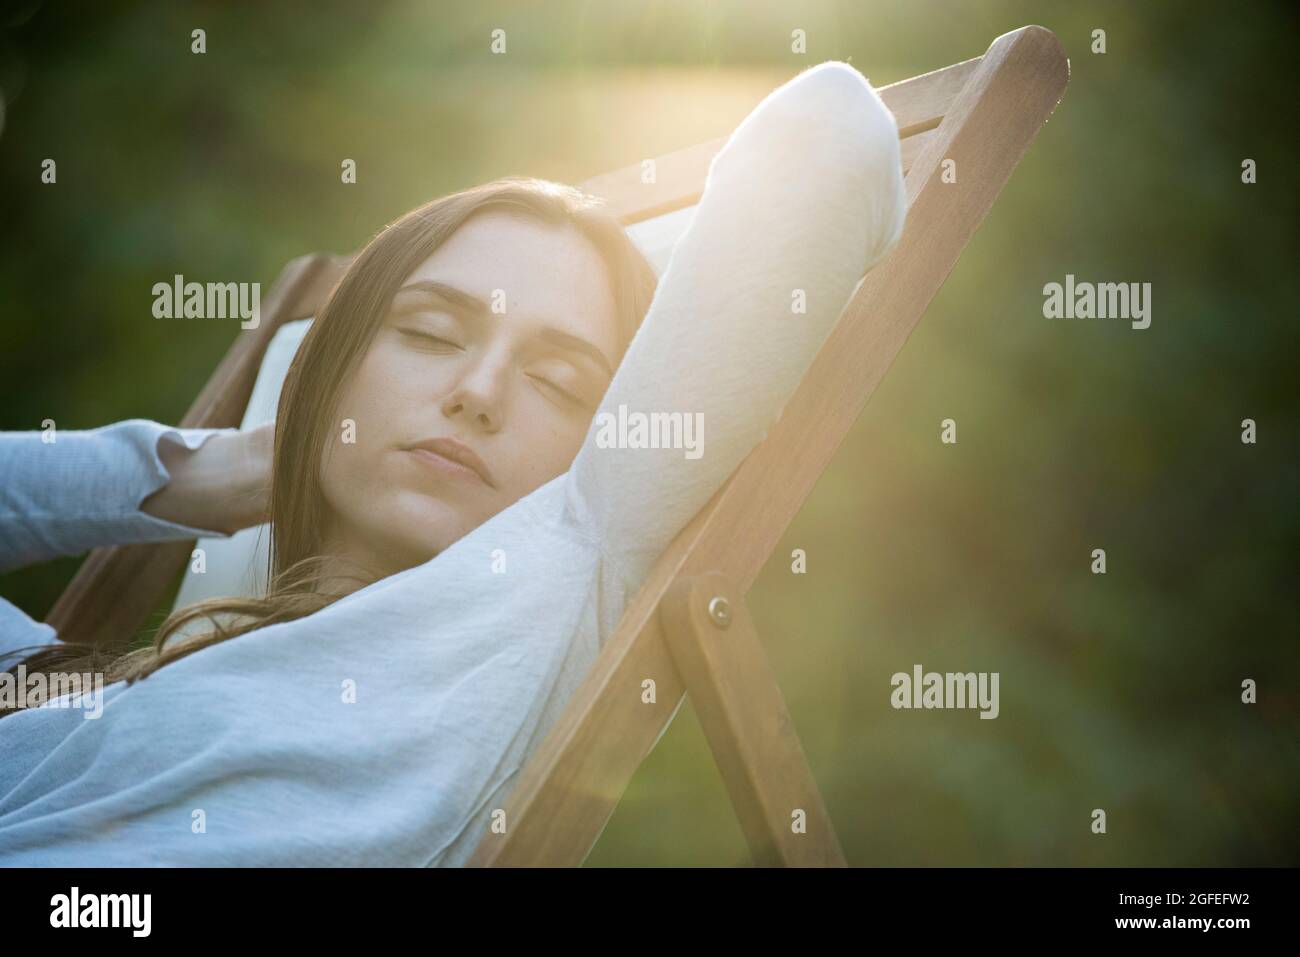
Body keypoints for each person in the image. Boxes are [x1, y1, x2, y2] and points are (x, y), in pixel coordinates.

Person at [0, 60, 907, 865]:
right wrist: (217, 472)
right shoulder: (93, 685)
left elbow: (828, 133)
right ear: (337, 369)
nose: (479, 390)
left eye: (558, 382)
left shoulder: (561, 569)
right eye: (431, 332)